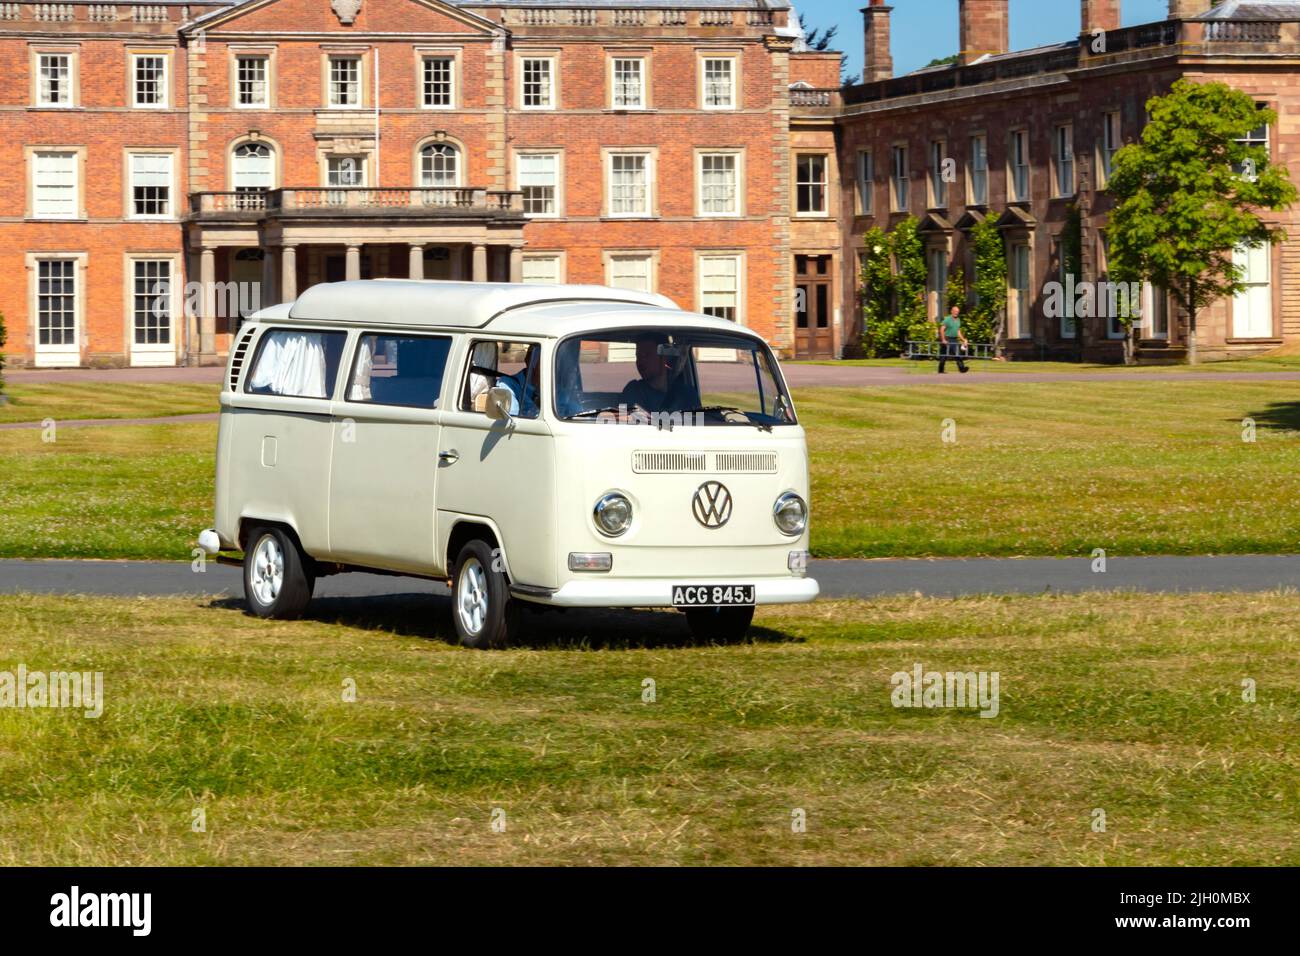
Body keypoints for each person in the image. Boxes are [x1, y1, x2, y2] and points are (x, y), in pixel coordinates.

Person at [621, 334, 689, 412]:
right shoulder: (633, 391)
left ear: (664, 357)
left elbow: (700, 422)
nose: (640, 361)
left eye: (647, 355)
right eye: (638, 356)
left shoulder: (687, 394)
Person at [938, 305, 970, 374]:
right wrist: (943, 339)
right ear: (951, 311)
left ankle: (962, 368)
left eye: (957, 312)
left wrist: (963, 339)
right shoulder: (947, 319)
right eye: (955, 311)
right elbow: (941, 329)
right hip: (947, 338)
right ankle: (940, 370)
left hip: (954, 339)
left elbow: (958, 331)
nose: (956, 313)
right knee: (943, 356)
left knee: (957, 354)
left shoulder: (958, 320)